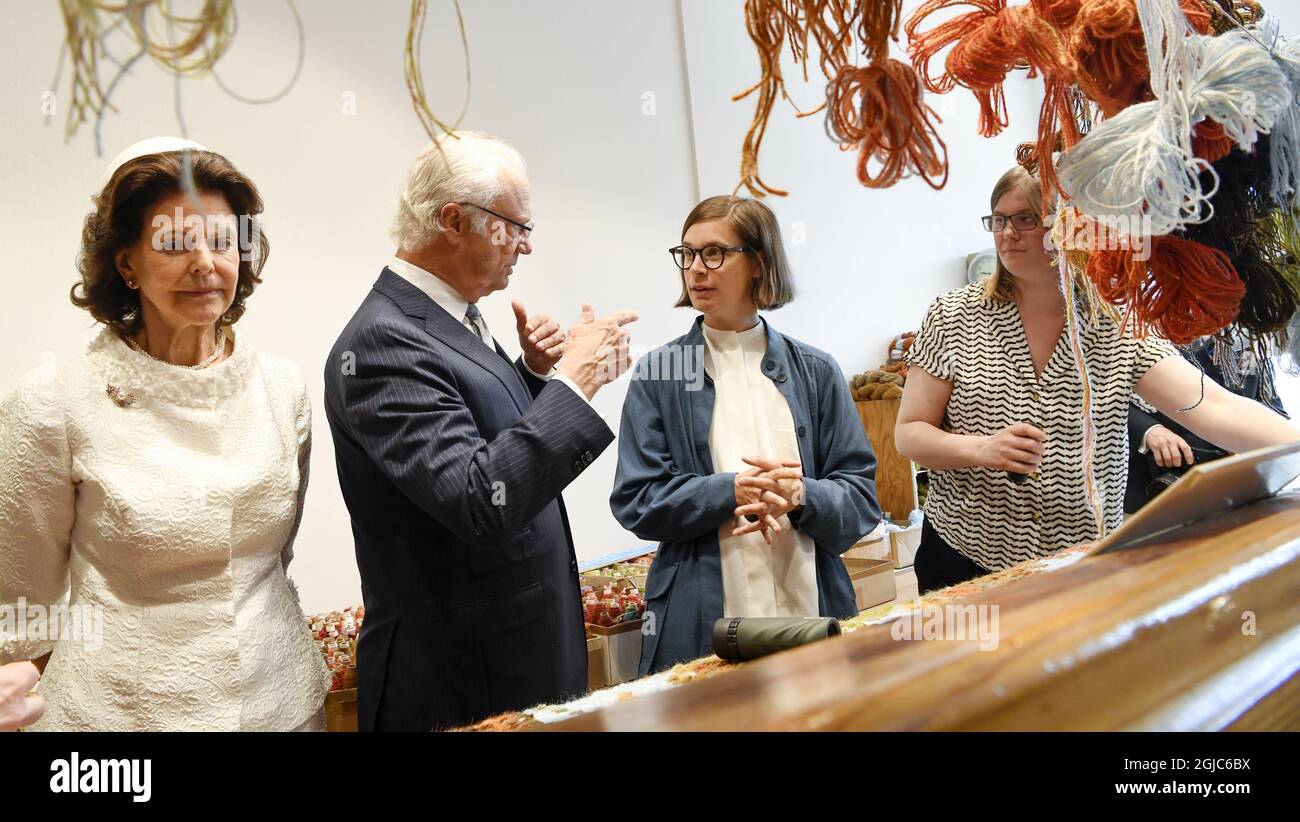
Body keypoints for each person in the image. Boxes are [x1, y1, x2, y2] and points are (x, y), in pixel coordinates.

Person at [0, 137, 329, 730]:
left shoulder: (283, 389)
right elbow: (22, 609)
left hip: (281, 703)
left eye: (223, 242)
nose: (205, 262)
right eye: (175, 243)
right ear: (126, 262)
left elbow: (273, 558)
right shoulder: (57, 399)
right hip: (120, 718)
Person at [324, 131, 637, 731]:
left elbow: (482, 446)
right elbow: (477, 499)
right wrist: (576, 382)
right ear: (453, 221)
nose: (524, 246)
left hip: (517, 658)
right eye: (515, 226)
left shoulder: (455, 316)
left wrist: (535, 377)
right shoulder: (382, 340)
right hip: (459, 680)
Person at [896, 165, 1300, 594]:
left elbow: (1212, 406)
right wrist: (981, 448)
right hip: (966, 556)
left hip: (1077, 564)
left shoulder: (1114, 321)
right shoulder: (952, 316)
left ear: (1067, 229)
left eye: (1026, 219)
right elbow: (909, 433)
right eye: (998, 220)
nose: (1007, 233)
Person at [610, 195, 880, 675]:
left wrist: (801, 496)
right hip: (704, 621)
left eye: (714, 253)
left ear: (758, 263)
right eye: (687, 254)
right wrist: (729, 489)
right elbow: (637, 499)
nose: (696, 269)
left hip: (811, 610)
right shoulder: (660, 372)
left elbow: (860, 501)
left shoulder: (815, 370)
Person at [1125, 333, 1288, 512]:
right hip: (1152, 481)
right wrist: (1148, 430)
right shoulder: (1142, 328)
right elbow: (1105, 393)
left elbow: (1268, 401)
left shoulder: (1247, 334)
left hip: (1237, 485)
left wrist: (1256, 438)